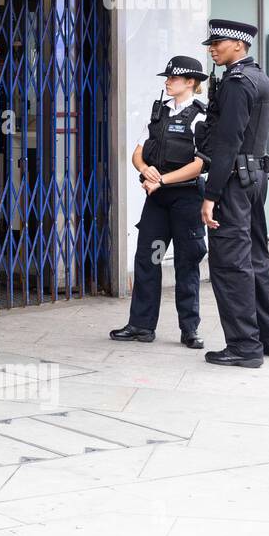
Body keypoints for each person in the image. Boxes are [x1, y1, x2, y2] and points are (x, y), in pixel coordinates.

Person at [199, 19, 269, 368]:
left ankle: (244, 346)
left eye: (218, 43)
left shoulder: (236, 83)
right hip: (254, 178)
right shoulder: (258, 76)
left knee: (230, 264)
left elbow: (227, 143)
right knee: (255, 259)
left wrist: (211, 194)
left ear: (239, 44)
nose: (212, 48)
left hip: (233, 182)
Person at [111, 56, 208, 349]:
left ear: (190, 82)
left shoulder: (201, 117)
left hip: (187, 199)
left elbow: (200, 164)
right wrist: (144, 170)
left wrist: (163, 180)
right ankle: (141, 325)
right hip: (157, 200)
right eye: (166, 78)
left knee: (186, 263)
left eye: (173, 78)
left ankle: (189, 329)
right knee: (148, 259)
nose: (167, 82)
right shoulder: (157, 114)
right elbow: (138, 153)